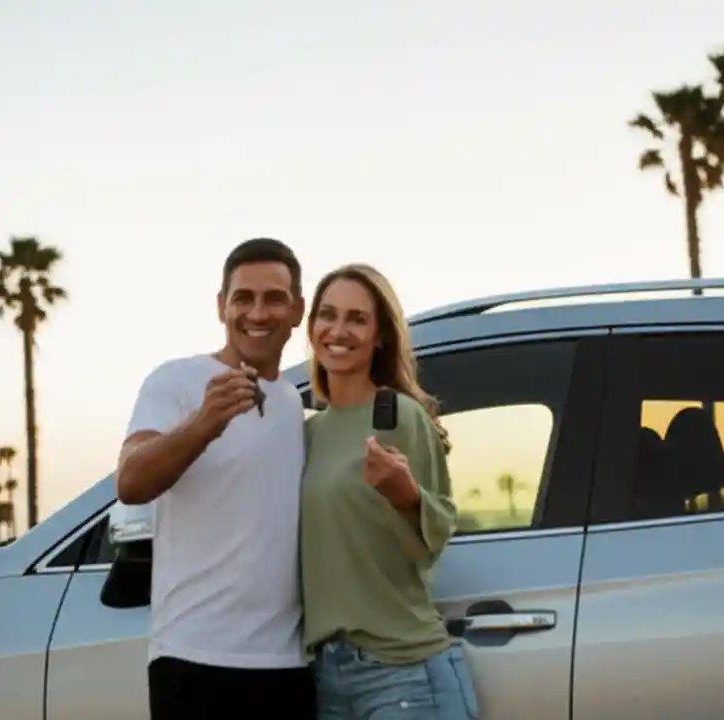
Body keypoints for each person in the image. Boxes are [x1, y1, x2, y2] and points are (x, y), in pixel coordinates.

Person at [115, 237, 316, 718]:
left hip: (287, 665)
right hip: (193, 660)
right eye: (243, 297)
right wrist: (207, 420)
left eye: (274, 298)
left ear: (297, 310)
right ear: (222, 306)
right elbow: (131, 481)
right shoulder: (177, 381)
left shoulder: (294, 404)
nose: (258, 313)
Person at [300, 263, 481, 719]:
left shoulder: (398, 416)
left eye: (357, 319)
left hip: (401, 674)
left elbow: (436, 533)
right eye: (328, 315)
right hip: (327, 676)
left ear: (380, 336)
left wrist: (406, 493)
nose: (338, 330)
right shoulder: (308, 434)